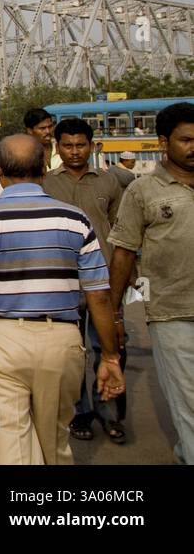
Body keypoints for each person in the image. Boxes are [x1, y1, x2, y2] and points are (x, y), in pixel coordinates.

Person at [0, 133, 124, 465]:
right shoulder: (75, 219)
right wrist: (111, 356)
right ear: (44, 171)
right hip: (62, 342)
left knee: (7, 446)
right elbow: (99, 297)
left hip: (0, 344)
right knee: (54, 443)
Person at [108, 102, 194, 465]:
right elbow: (124, 253)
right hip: (172, 313)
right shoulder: (143, 191)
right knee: (189, 403)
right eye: (186, 139)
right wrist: (113, 315)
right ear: (163, 143)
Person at [43, 117, 126, 444]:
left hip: (103, 280)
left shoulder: (109, 183)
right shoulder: (47, 184)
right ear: (57, 147)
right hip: (63, 281)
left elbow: (121, 231)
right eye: (67, 145)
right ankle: (80, 413)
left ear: (91, 146)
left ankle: (111, 414)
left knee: (111, 347)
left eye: (81, 145)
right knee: (72, 352)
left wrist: (127, 275)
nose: (75, 152)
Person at [24, 107, 62, 171]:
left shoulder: (61, 148)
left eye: (50, 126)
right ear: (30, 130)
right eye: (42, 128)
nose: (48, 131)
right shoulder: (23, 154)